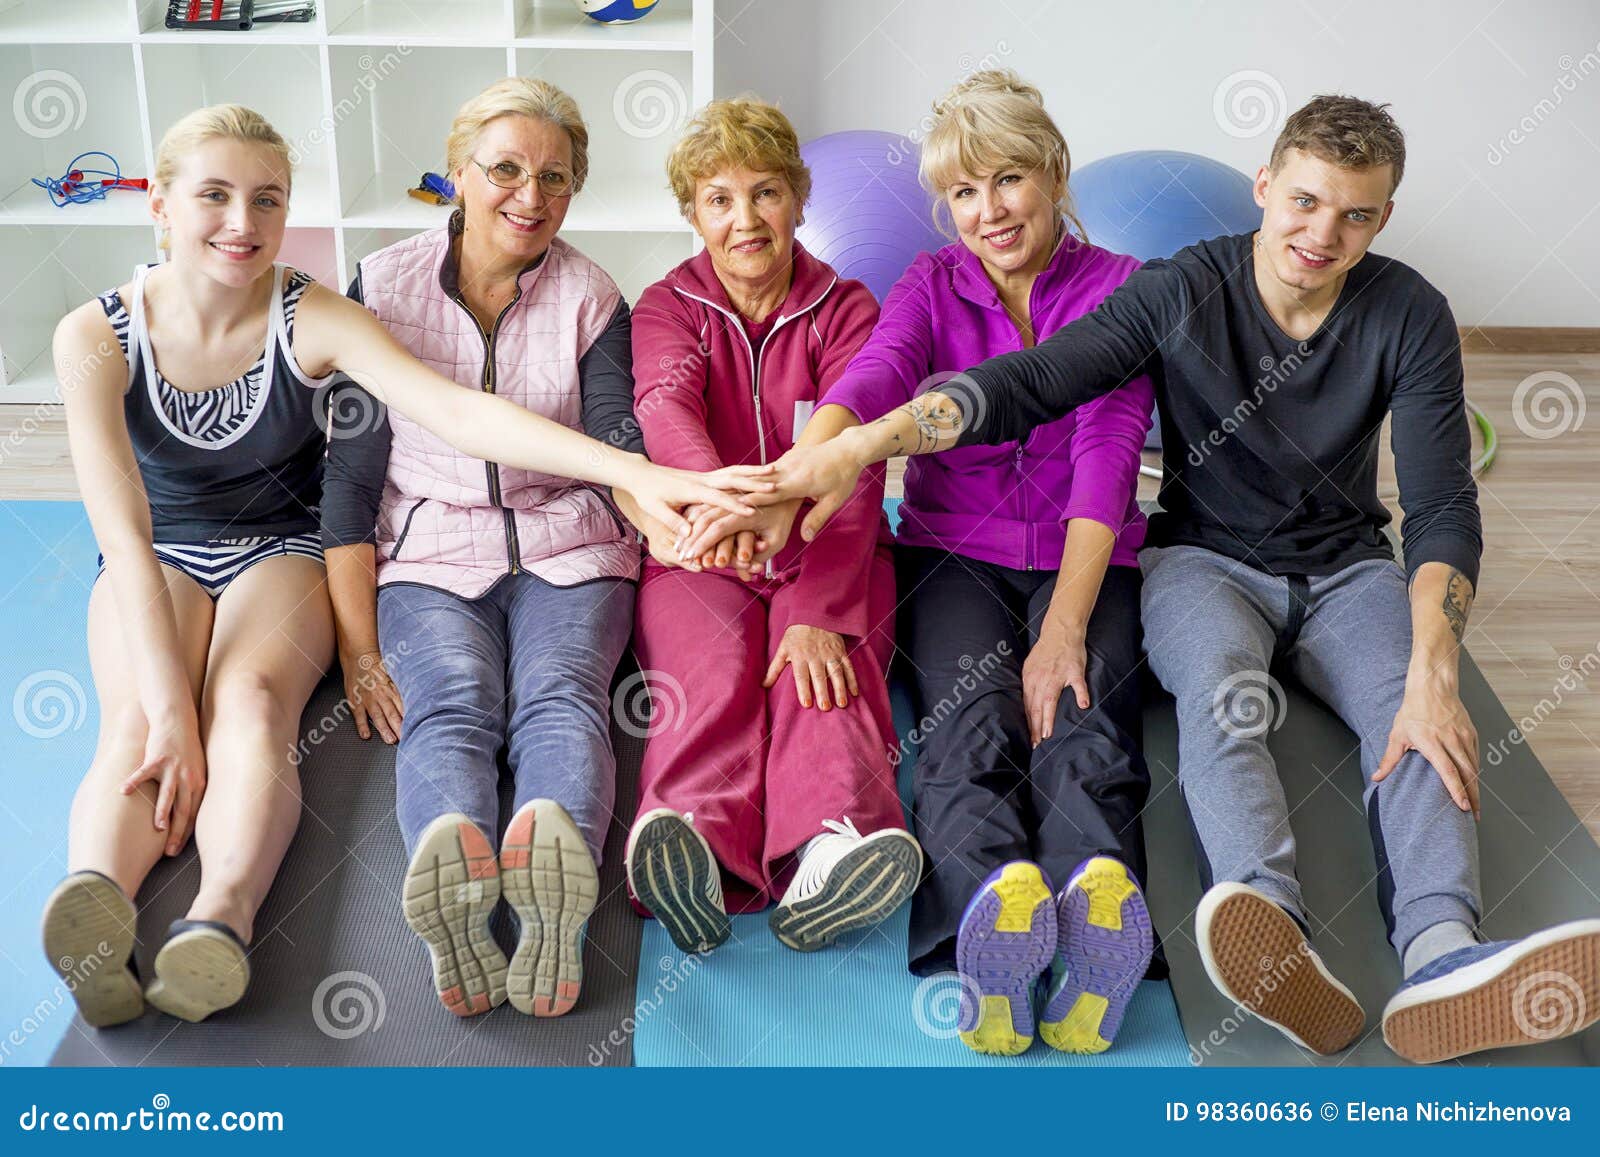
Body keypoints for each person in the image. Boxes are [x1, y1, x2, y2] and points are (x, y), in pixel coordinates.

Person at [744, 94, 1600, 1063]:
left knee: (1421, 726)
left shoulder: (1406, 311)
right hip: (1203, 559)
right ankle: (1268, 929)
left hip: (1350, 566)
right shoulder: (1182, 286)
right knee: (1220, 700)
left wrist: (1434, 672)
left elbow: (1444, 502)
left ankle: (1444, 951)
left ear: (1381, 219)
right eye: (1305, 202)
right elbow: (1029, 381)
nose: (1322, 233)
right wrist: (857, 446)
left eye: (1353, 214)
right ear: (1265, 188)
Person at [41, 103, 767, 1027]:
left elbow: (458, 411)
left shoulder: (325, 311)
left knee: (264, 705)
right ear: (160, 206)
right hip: (194, 555)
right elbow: (130, 537)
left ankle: (218, 917)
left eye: (267, 200)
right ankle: (95, 907)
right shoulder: (95, 337)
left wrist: (639, 479)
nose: (242, 222)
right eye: (214, 196)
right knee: (146, 721)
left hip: (312, 546)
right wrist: (177, 712)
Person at [796, 71, 1156, 1056]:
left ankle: (1094, 929)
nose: (987, 211)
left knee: (1079, 721)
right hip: (955, 551)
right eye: (963, 191)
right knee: (965, 728)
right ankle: (988, 917)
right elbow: (875, 375)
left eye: (1007, 180)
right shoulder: (928, 282)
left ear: (1052, 172)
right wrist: (819, 447)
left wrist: (1063, 627)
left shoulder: (1121, 288)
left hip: (1090, 555)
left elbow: (1107, 454)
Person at [323, 77, 657, 1019]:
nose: (530, 195)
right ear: (459, 173)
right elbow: (350, 480)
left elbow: (612, 436)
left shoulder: (592, 294)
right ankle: (458, 869)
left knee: (560, 696)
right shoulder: (380, 286)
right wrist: (357, 648)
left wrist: (664, 505)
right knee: (451, 699)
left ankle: (555, 880)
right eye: (505, 168)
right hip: (430, 549)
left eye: (555, 177)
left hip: (571, 542)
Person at [619, 96, 922, 957]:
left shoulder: (847, 307)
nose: (745, 218)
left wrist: (821, 607)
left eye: (765, 192)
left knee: (820, 675)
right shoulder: (667, 304)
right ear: (692, 214)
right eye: (719, 198)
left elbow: (855, 449)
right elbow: (664, 406)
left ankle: (834, 850)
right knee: (707, 675)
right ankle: (689, 847)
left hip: (830, 547)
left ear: (797, 196)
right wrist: (718, 507)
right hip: (700, 545)